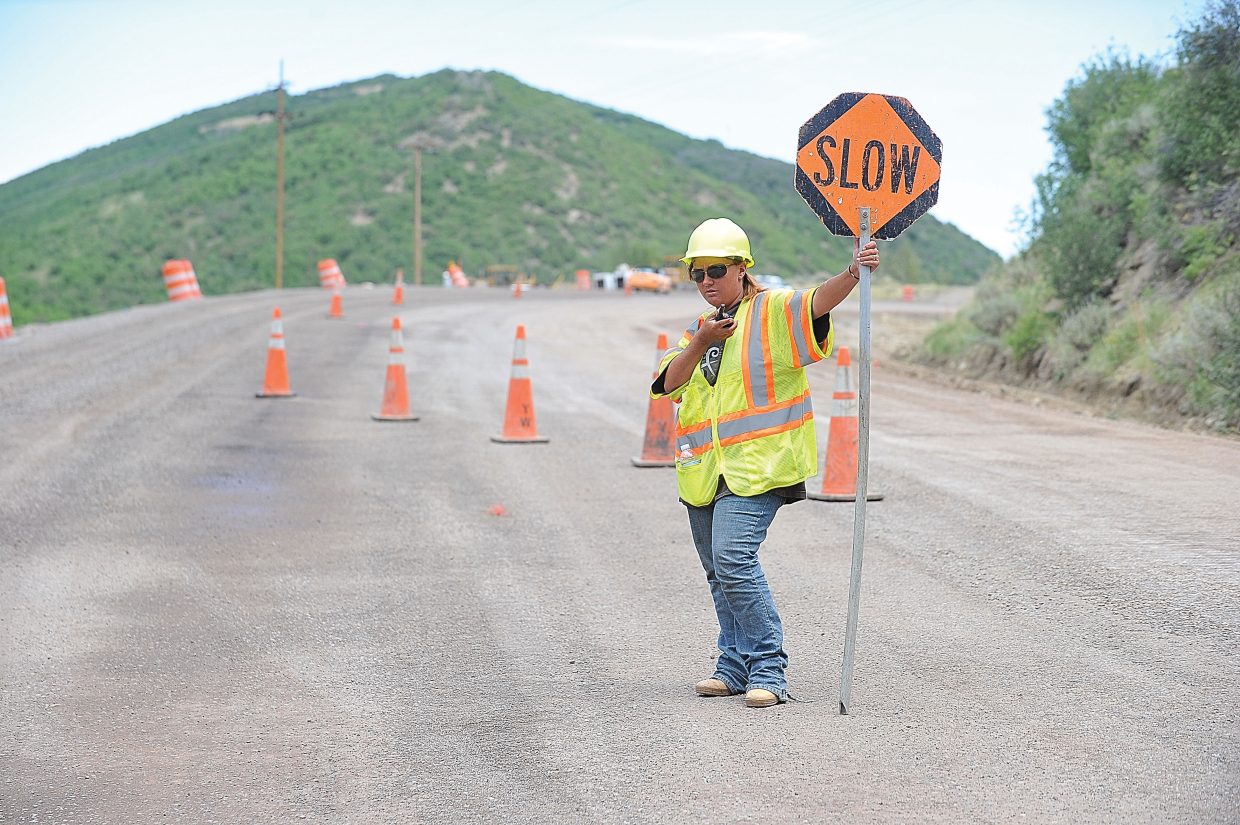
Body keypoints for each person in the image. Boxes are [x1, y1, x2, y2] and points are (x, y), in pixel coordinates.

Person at [650, 217, 879, 708]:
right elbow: (668, 384)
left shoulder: (771, 311)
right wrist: (701, 342)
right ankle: (731, 666)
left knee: (734, 560)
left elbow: (815, 302)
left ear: (741, 268)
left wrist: (853, 271)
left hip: (758, 467)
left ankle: (768, 669)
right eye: (697, 274)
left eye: (715, 270)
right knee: (719, 570)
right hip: (705, 475)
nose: (706, 281)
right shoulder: (700, 331)